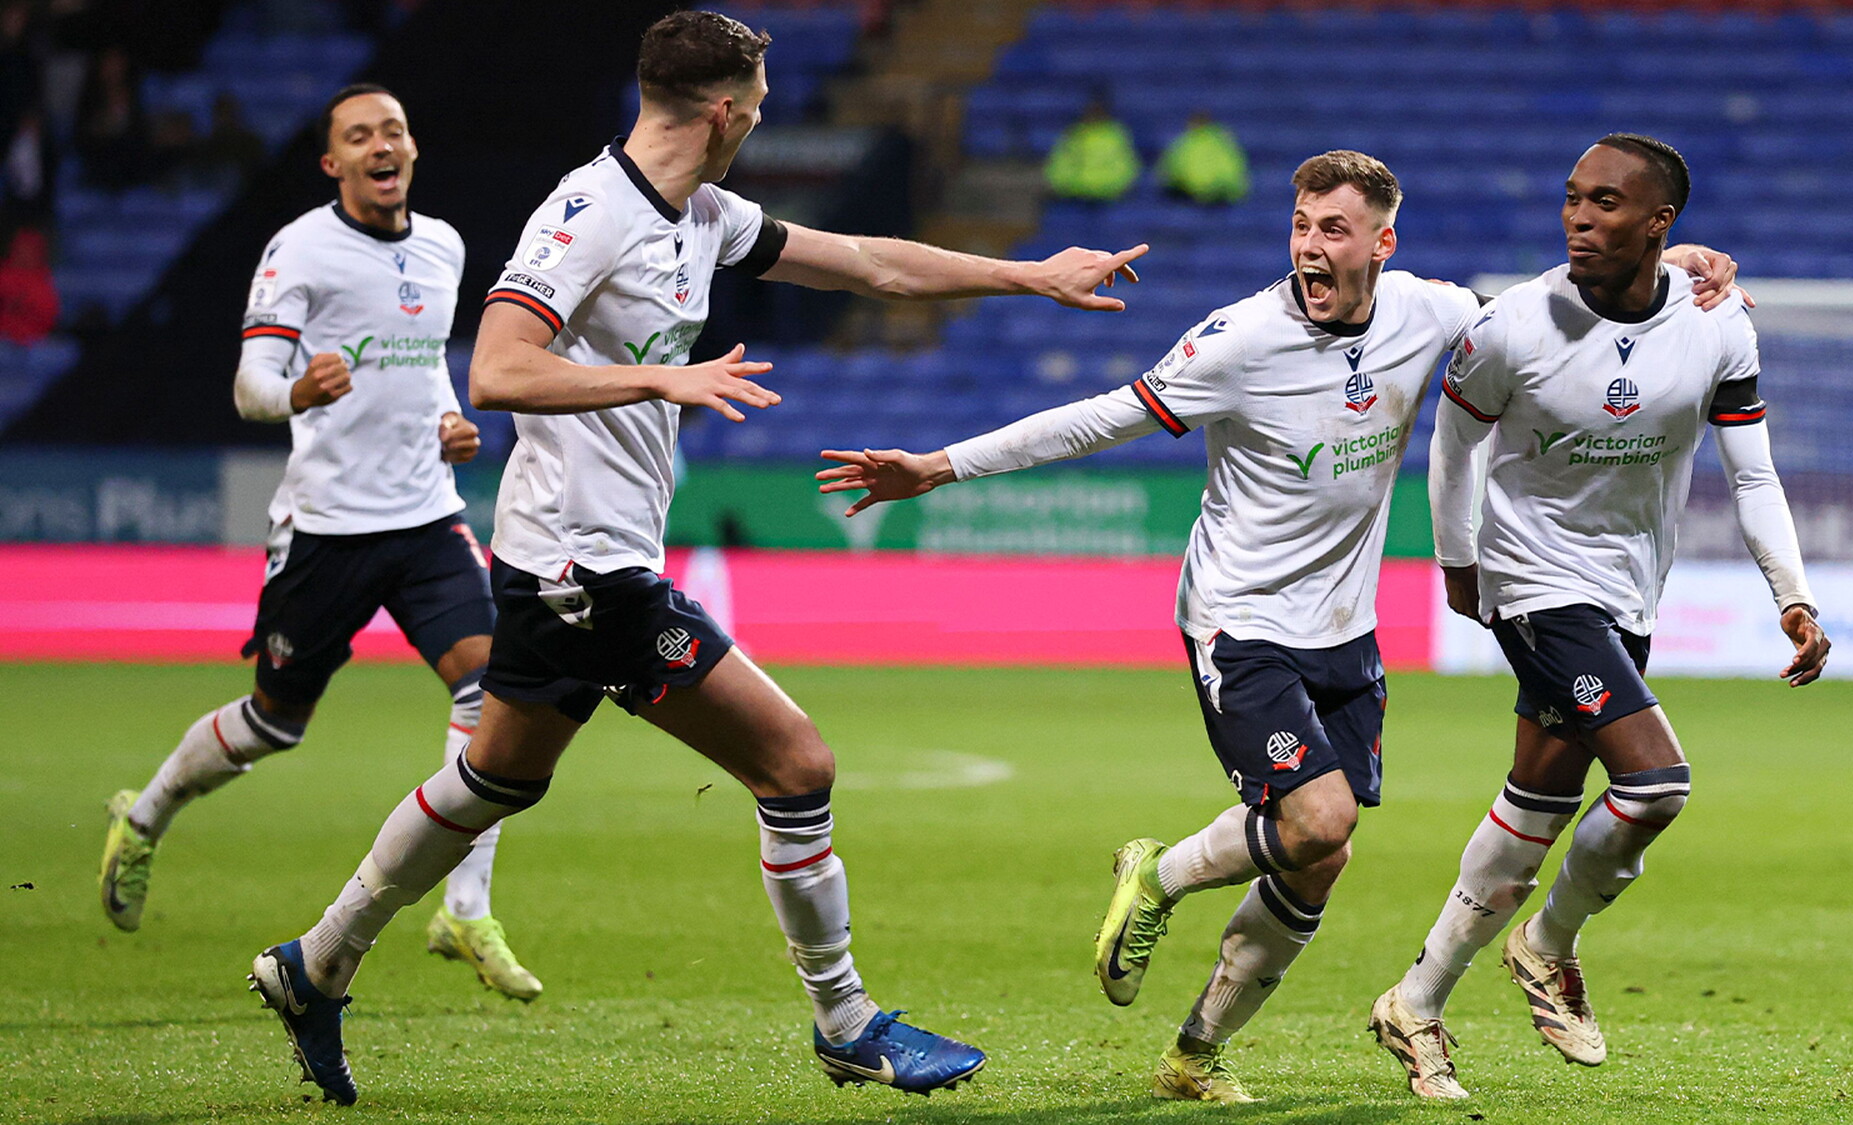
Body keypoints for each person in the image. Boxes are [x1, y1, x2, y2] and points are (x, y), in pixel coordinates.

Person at [245, 10, 1148, 1106]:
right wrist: (658, 379)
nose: (761, 117)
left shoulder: (703, 213)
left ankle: (315, 963)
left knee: (491, 780)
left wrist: (1028, 276)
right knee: (797, 766)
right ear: (723, 111)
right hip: (586, 574)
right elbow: (496, 368)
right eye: (757, 103)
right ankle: (845, 1020)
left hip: (560, 561)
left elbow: (865, 263)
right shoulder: (587, 215)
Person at [815, 150, 1742, 1103]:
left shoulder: (1435, 312)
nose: (1310, 244)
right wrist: (938, 465)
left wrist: (1684, 262)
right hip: (1239, 621)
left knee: (1320, 855)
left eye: (1334, 229)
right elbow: (1097, 420)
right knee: (1317, 817)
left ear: (1384, 242)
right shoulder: (1239, 340)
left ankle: (1194, 1053)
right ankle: (1163, 875)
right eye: (1301, 225)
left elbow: (1573, 298)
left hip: (1346, 628)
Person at [1368, 133, 1830, 1100]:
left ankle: (1415, 1001)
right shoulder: (1513, 325)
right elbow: (1453, 446)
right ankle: (1549, 943)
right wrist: (1459, 559)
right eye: (1574, 198)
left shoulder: (1718, 324)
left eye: (1608, 203)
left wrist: (1790, 591)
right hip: (1533, 584)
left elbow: (1754, 471)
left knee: (1536, 803)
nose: (1581, 216)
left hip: (1629, 589)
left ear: (1662, 223)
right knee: (1656, 782)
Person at [101, 83, 543, 1002]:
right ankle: (143, 818)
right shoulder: (301, 248)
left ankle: (465, 906)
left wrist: (454, 422)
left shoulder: (444, 244)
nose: (380, 143)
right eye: (358, 136)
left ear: (412, 147)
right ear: (332, 163)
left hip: (425, 517)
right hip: (327, 529)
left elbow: (425, 368)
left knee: (492, 686)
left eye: (393, 128)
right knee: (273, 721)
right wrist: (297, 390)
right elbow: (250, 383)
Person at [1044, 97, 1140, 203]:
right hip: (1074, 197)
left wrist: (1110, 189)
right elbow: (1058, 167)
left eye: (1098, 110)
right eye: (1091, 110)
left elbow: (1127, 168)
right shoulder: (1072, 134)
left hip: (1109, 197)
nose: (1094, 114)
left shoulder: (1116, 136)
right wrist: (1066, 187)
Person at [1156, 111, 1248, 205]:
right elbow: (1240, 173)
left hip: (1195, 195)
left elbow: (1169, 173)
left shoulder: (1185, 143)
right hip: (1226, 195)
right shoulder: (1226, 142)